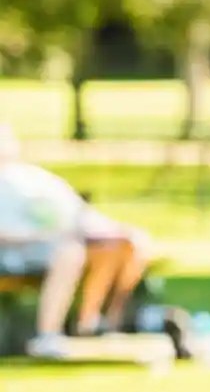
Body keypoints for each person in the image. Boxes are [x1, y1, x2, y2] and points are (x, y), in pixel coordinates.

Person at [0, 124, 154, 357]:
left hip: (54, 243)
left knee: (124, 245)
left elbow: (76, 213)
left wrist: (115, 230)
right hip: (13, 253)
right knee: (69, 253)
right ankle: (47, 336)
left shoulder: (34, 178)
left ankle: (95, 323)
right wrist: (40, 236)